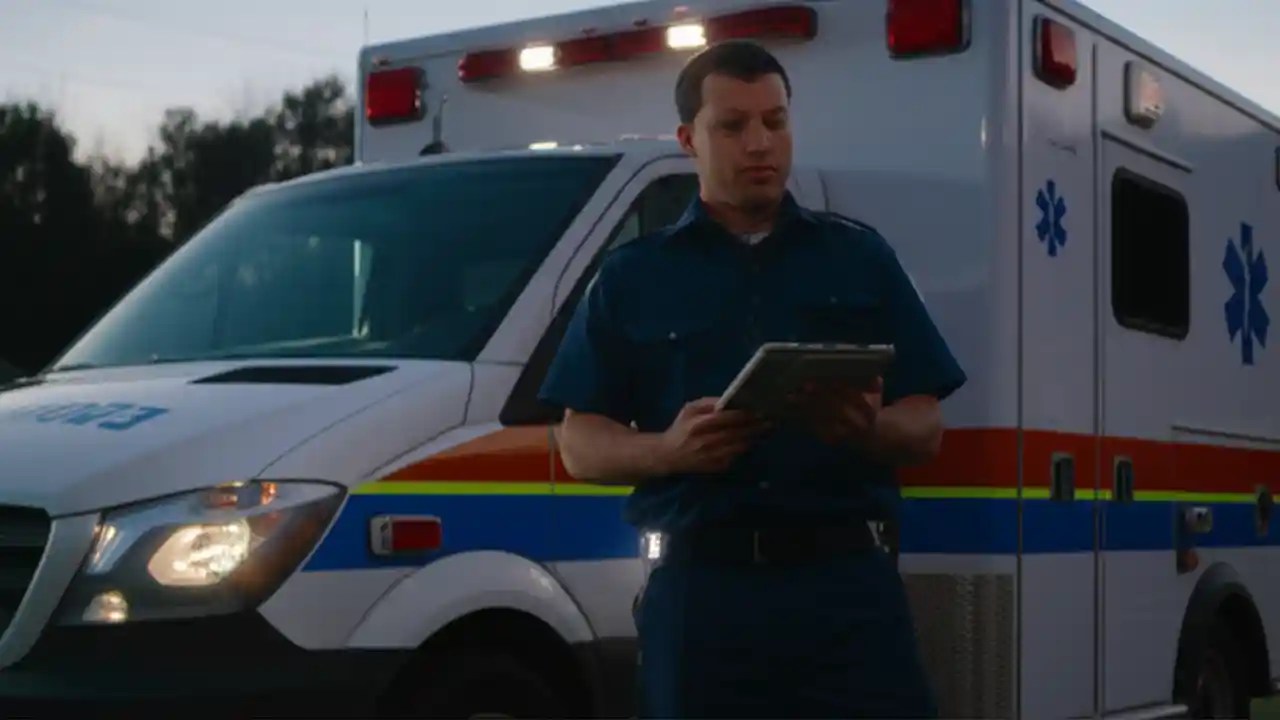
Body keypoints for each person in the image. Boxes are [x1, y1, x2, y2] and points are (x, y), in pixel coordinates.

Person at [537, 39, 967, 719]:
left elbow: (926, 425)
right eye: (733, 126)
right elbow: (580, 443)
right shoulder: (633, 277)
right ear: (688, 140)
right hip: (703, 597)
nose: (760, 143)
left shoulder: (859, 257)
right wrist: (671, 451)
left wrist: (869, 430)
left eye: (775, 120)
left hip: (847, 592)